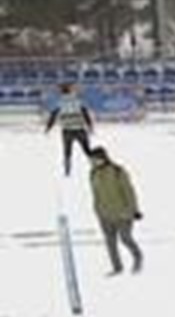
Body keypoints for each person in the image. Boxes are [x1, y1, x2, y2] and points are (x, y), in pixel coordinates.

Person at [87, 146, 144, 276]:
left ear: (103, 158)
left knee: (125, 238)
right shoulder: (93, 174)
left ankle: (138, 257)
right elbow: (96, 194)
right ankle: (117, 267)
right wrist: (97, 209)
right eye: (91, 160)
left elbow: (129, 191)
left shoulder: (117, 171)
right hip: (104, 215)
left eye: (95, 159)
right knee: (110, 242)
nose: (92, 162)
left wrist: (134, 209)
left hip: (123, 213)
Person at [44, 83, 94, 177]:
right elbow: (85, 113)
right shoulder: (78, 101)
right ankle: (94, 165)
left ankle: (67, 171)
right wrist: (90, 126)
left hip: (67, 130)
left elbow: (53, 116)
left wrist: (48, 128)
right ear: (71, 91)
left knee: (67, 152)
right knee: (87, 150)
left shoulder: (59, 103)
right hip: (80, 128)